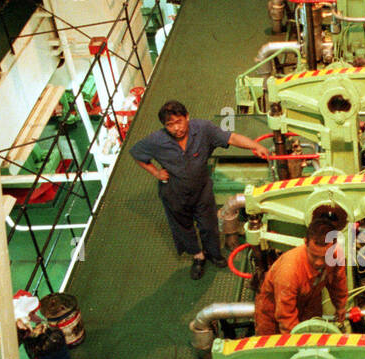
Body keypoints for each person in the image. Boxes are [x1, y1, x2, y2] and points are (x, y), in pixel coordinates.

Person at [131, 99, 269, 278]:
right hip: (174, 192)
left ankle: (213, 254)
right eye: (170, 125)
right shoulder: (157, 140)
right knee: (183, 226)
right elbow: (137, 153)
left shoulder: (203, 129)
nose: (176, 128)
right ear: (165, 126)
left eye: (179, 121)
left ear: (187, 117)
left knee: (209, 223)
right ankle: (198, 256)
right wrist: (156, 172)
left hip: (201, 188)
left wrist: (256, 146)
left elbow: (231, 137)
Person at [254, 208, 349, 335]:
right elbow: (286, 318)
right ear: (305, 243)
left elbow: (338, 282)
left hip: (310, 303)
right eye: (314, 256)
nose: (319, 263)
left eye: (324, 257)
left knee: (315, 334)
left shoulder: (336, 256)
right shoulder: (288, 272)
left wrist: (341, 306)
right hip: (274, 313)